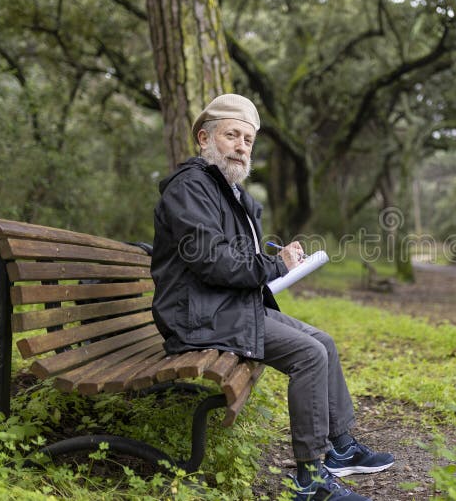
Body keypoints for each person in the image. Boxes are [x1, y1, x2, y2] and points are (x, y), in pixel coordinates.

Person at [151, 94, 394, 500]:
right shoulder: (190, 187)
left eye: (248, 139)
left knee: (323, 342)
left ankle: (340, 447)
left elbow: (232, 257)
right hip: (198, 315)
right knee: (308, 355)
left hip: (222, 306)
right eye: (232, 135)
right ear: (204, 138)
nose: (242, 146)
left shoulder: (228, 192)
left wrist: (277, 261)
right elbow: (213, 261)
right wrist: (275, 266)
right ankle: (311, 477)